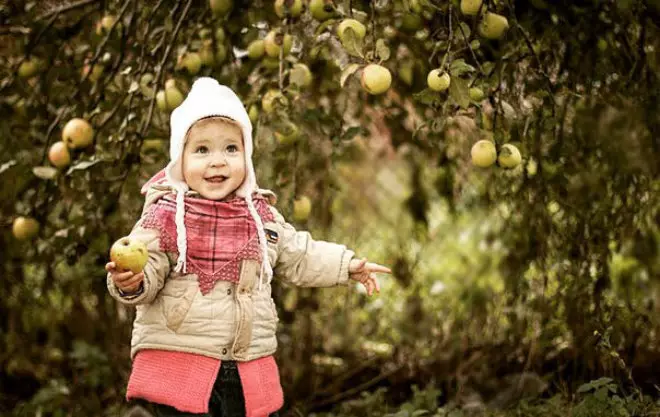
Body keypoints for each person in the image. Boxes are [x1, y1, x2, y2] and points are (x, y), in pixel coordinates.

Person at [105, 77, 392, 417]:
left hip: (245, 366)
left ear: (247, 156)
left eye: (231, 148)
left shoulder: (261, 216)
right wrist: (131, 280)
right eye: (201, 150)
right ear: (178, 160)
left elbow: (298, 253)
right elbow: (147, 267)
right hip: (181, 361)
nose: (218, 161)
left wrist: (347, 266)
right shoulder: (166, 215)